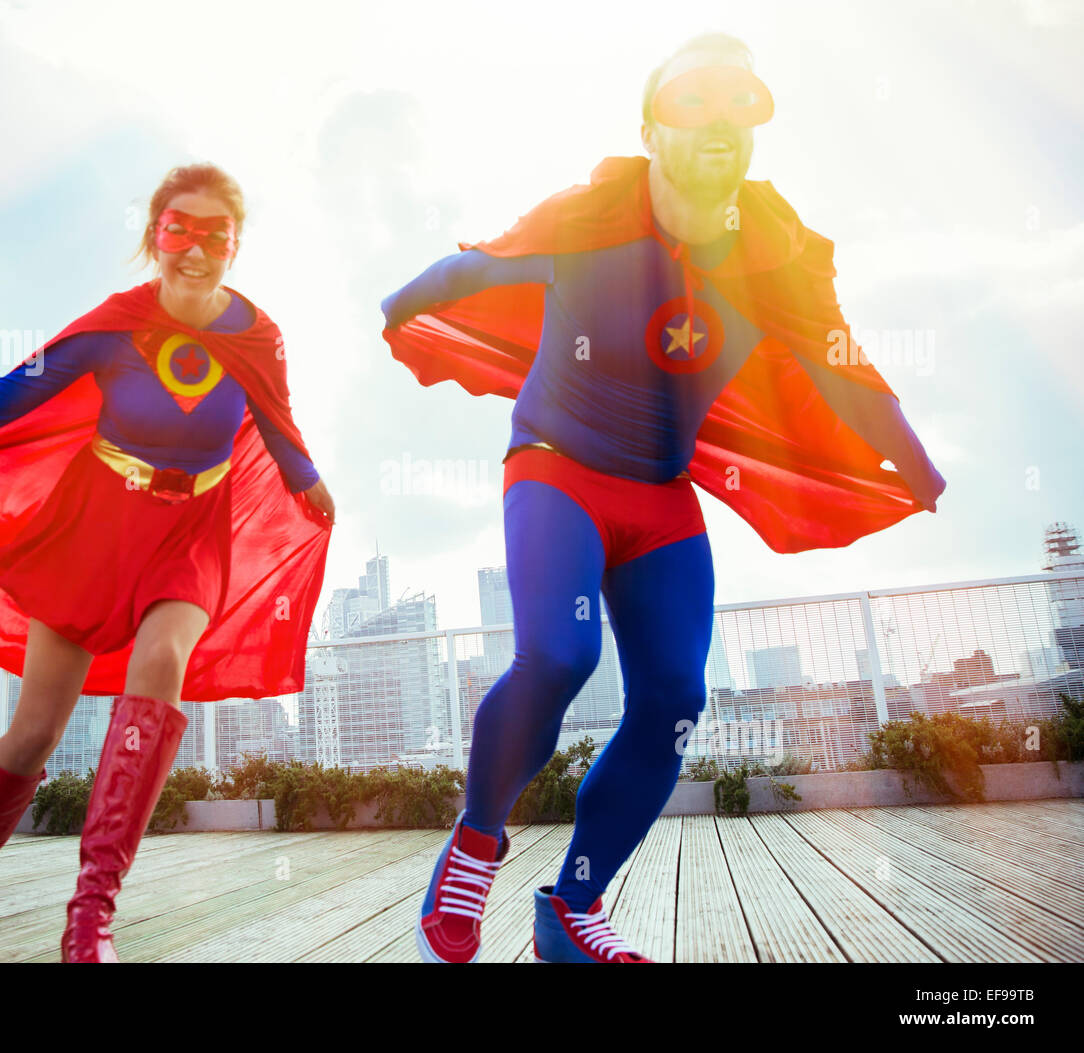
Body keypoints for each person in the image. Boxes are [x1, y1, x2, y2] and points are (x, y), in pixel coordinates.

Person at [380, 33, 945, 964]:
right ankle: (477, 839)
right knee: (559, 653)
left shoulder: (777, 251)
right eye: (695, 101)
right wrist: (398, 303)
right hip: (558, 469)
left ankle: (572, 907)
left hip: (661, 497)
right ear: (651, 128)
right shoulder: (592, 209)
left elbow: (844, 373)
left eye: (740, 103)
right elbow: (483, 263)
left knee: (678, 698)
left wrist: (916, 466)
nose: (719, 119)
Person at [0, 162, 334, 962]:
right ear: (155, 233)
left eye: (215, 233)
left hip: (192, 534)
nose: (195, 247)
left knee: (162, 658)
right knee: (33, 734)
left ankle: (90, 921)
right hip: (96, 525)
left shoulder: (259, 333)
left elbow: (279, 423)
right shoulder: (114, 325)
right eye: (180, 227)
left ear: (235, 243)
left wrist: (311, 483)